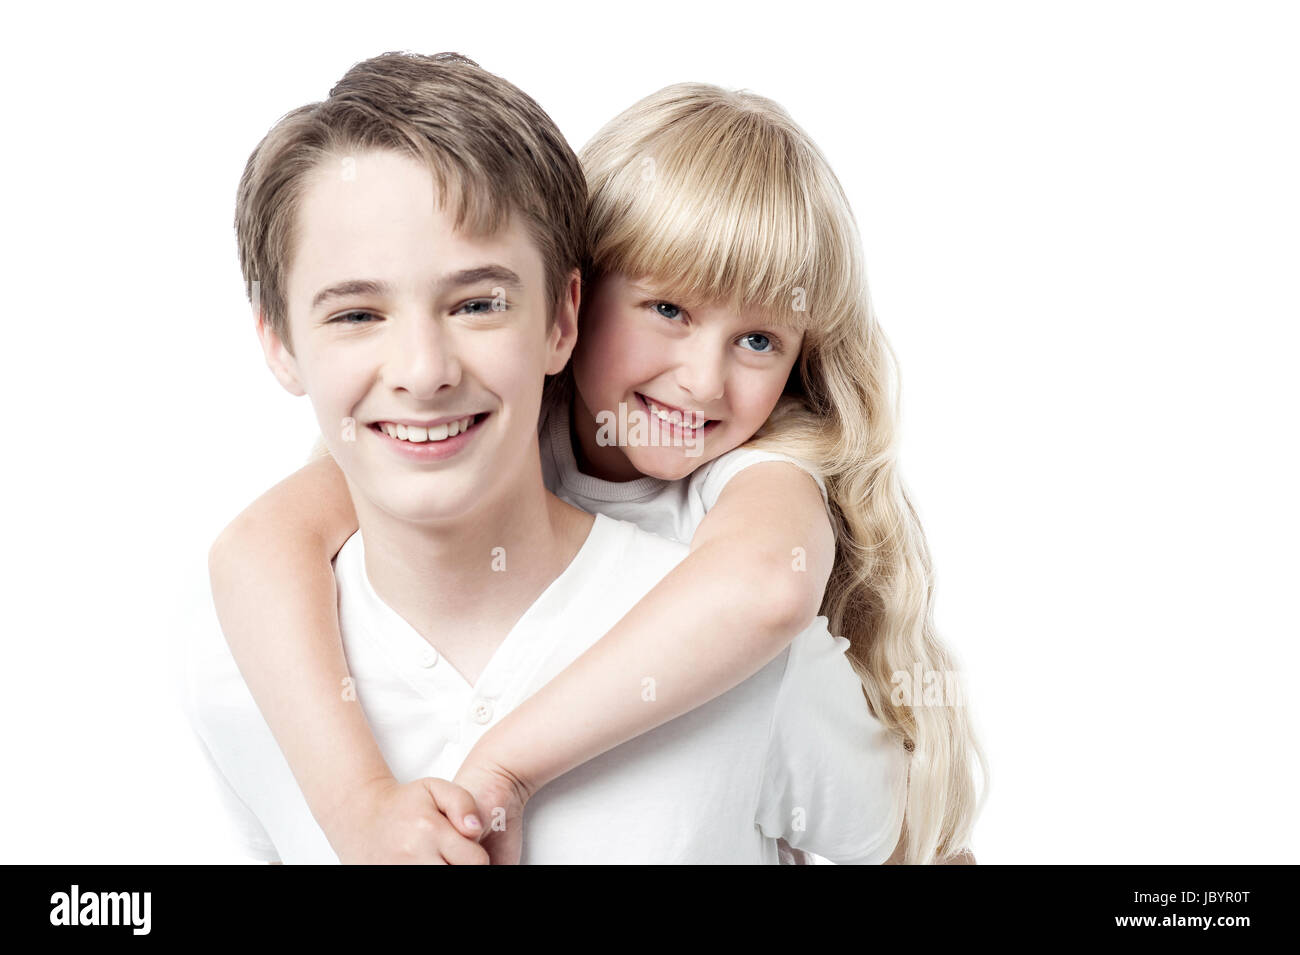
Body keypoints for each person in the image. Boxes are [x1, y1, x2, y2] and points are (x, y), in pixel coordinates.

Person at [199, 50, 986, 864]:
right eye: (668, 309)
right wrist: (359, 809)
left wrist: (506, 762)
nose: (703, 381)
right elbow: (256, 547)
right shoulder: (471, 422)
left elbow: (768, 588)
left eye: (759, 338)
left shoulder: (755, 477)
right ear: (579, 301)